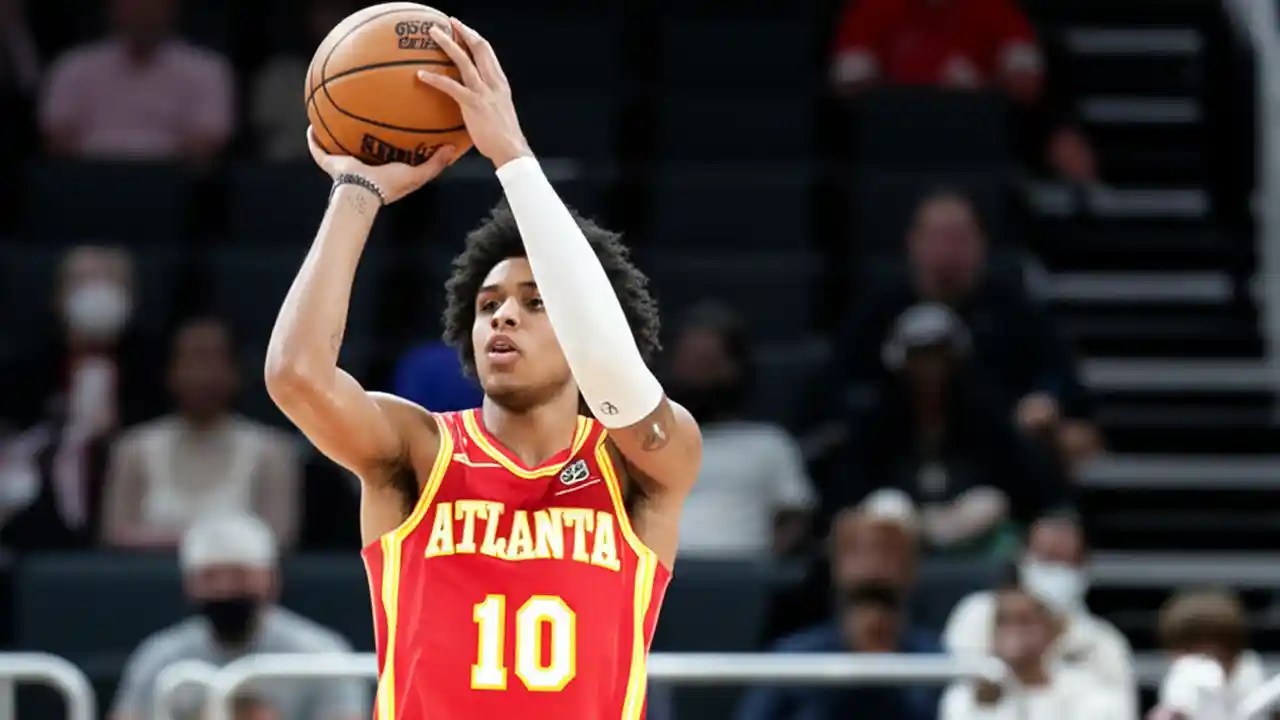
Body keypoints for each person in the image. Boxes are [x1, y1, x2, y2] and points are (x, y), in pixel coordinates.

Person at [264, 17, 702, 720]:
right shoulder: (418, 451)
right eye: (489, 302)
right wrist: (356, 189)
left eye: (536, 302)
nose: (502, 316)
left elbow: (610, 373)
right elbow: (295, 377)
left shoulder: (645, 464)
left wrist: (513, 157)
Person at [110, 513, 367, 720]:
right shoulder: (159, 657)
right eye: (210, 577)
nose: (224, 589)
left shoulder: (321, 655)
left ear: (271, 580)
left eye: (239, 576)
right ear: (189, 584)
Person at [101, 317, 301, 550]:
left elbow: (280, 536)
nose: (202, 374)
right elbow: (114, 534)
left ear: (236, 372)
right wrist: (208, 541)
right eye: (192, 359)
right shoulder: (132, 449)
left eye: (213, 359)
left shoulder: (272, 452)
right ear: (170, 372)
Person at [943, 514, 1136, 719]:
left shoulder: (1104, 642)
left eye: (1066, 561)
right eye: (1047, 558)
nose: (1016, 633)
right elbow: (963, 692)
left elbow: (1120, 710)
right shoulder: (976, 615)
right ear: (1024, 557)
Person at [666, 300, 816, 558]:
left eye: (709, 363)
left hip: (745, 581)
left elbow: (795, 517)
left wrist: (767, 572)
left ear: (735, 369)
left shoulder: (770, 444)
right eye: (691, 363)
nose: (699, 376)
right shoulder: (638, 441)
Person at [40, 0, 234, 161]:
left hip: (170, 180)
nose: (142, 11)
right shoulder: (74, 65)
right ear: (112, 7)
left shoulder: (206, 69)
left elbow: (209, 139)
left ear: (172, 7)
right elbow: (56, 134)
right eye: (132, 3)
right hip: (88, 177)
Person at [737, 582, 941, 720]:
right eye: (863, 604)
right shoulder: (796, 660)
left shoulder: (932, 662)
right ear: (843, 618)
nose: (874, 620)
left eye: (881, 632)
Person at [941, 586, 1125, 720]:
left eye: (1026, 621)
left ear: (1051, 632)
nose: (1015, 631)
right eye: (1005, 621)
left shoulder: (1090, 694)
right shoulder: (966, 699)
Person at [1149, 589, 1267, 718]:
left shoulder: (1249, 672)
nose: (1199, 661)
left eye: (1209, 653)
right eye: (1189, 650)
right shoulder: (1178, 675)